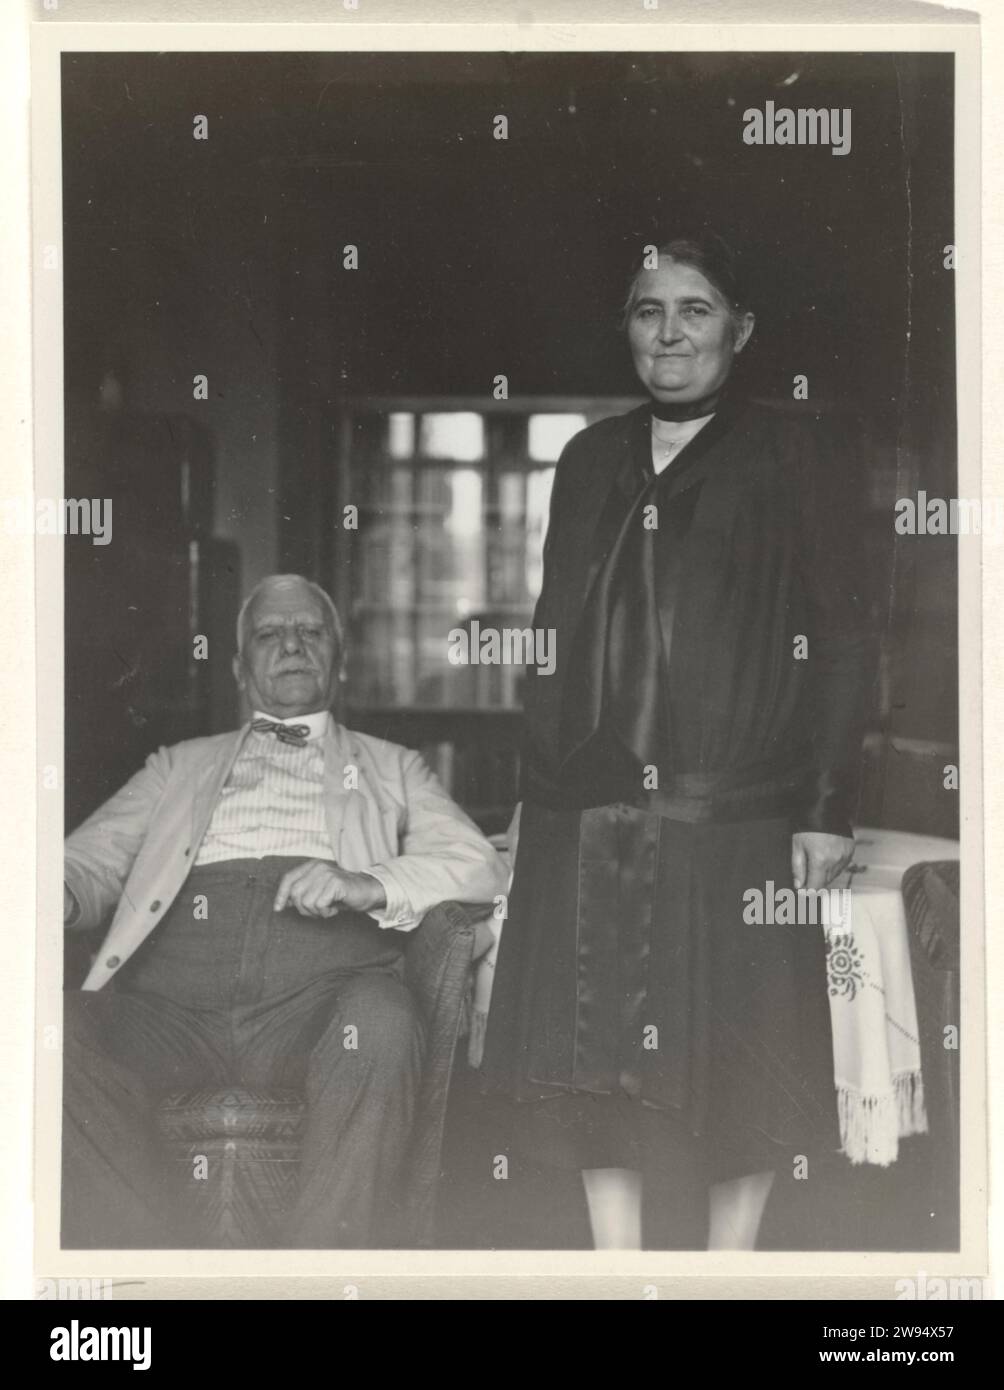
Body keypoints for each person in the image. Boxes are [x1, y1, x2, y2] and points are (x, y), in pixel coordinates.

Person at [478, 233, 875, 1249]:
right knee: (593, 1055)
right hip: (589, 807)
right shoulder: (586, 459)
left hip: (727, 808)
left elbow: (839, 641)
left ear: (738, 330)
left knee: (736, 1055)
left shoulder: (793, 456)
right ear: (626, 330)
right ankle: (617, 1268)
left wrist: (826, 809)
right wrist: (538, 789)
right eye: (648, 309)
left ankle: (724, 1272)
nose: (668, 331)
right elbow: (554, 626)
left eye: (693, 309)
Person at [62, 573, 507, 1248]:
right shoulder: (177, 765)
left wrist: (367, 883)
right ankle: (147, 1274)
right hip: (172, 1012)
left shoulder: (393, 767)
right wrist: (49, 894)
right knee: (46, 1032)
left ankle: (318, 1281)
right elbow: (86, 862)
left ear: (341, 660)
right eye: (270, 634)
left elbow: (481, 865)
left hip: (318, 1008)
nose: (292, 645)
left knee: (384, 1020)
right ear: (241, 667)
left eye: (310, 632)